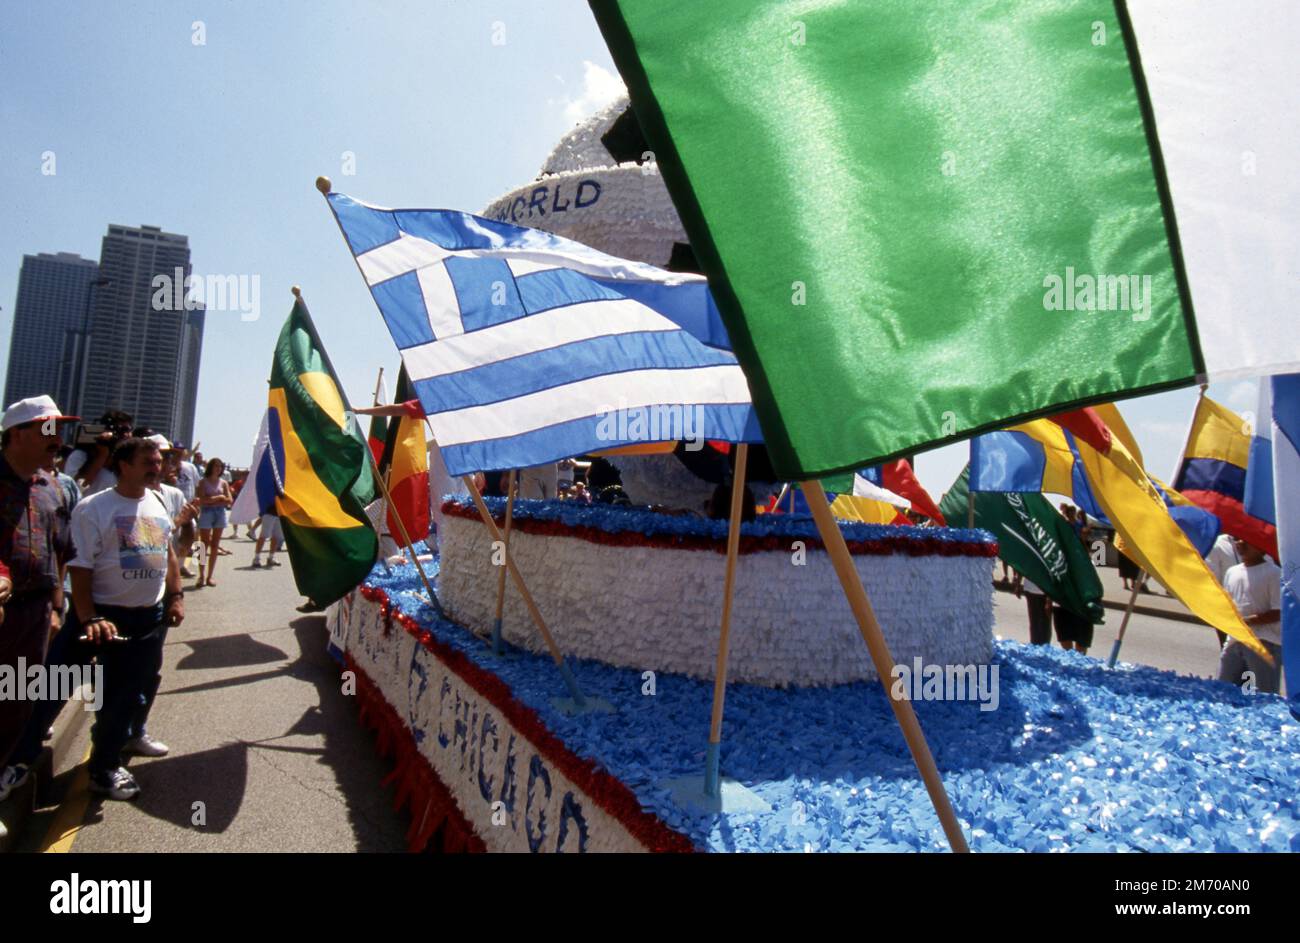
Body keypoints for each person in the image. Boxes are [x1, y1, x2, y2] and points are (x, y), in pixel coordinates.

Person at [56, 437, 183, 798]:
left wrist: (175, 596)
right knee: (52, 685)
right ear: (122, 464)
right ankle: (19, 761)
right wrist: (88, 617)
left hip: (147, 619)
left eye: (158, 460)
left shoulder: (157, 501)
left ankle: (105, 767)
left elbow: (167, 554)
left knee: (125, 696)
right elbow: (79, 569)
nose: (157, 465)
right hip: (99, 618)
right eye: (148, 460)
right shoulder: (94, 507)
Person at [0, 396, 77, 803]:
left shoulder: (52, 489)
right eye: (48, 428)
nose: (57, 437)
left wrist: (57, 607)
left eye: (59, 428)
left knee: (16, 702)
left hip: (34, 613)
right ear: (17, 435)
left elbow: (58, 551)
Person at [1217, 538, 1283, 694]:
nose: (1240, 543)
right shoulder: (1232, 572)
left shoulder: (1274, 573)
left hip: (1264, 643)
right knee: (1224, 691)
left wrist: (1245, 621)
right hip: (1234, 642)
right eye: (1238, 540)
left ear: (1262, 548)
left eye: (1247, 540)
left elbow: (1278, 612)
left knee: (1263, 694)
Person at [195, 458, 233, 586]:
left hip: (219, 513)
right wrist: (219, 498)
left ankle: (210, 576)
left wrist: (214, 499)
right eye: (216, 466)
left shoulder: (223, 483)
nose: (218, 469)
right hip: (206, 513)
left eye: (220, 467)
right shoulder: (203, 482)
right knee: (203, 545)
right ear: (210, 467)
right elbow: (202, 499)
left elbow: (229, 500)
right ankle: (201, 575)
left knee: (215, 545)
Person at [1014, 571, 1053, 646]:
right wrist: (1018, 584)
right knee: (1034, 622)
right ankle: (1034, 645)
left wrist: (1049, 598)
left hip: (1044, 591)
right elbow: (1022, 566)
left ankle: (1045, 647)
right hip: (1030, 589)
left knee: (1045, 623)